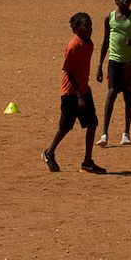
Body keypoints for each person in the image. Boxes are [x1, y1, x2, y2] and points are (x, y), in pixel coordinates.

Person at [45, 11, 104, 174]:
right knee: (65, 126)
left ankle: (87, 162)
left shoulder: (89, 43)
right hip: (71, 92)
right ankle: (49, 152)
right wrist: (79, 96)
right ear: (76, 28)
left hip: (84, 90)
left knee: (92, 123)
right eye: (87, 25)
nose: (91, 29)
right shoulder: (73, 45)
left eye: (91, 25)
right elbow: (69, 72)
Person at [101, 0, 131, 146]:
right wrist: (100, 65)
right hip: (114, 61)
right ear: (116, 0)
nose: (125, 0)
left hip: (130, 63)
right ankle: (104, 133)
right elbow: (105, 41)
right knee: (111, 93)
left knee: (128, 95)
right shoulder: (109, 17)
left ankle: (126, 133)